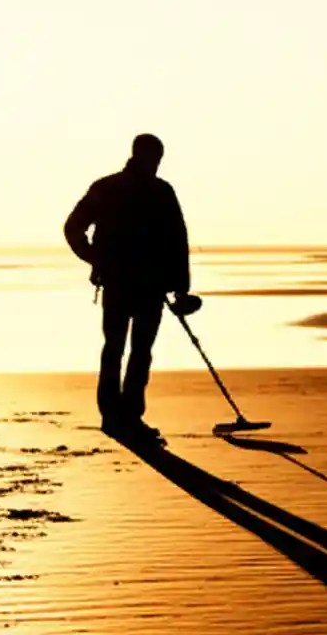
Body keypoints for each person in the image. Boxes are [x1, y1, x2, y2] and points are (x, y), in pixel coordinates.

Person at [64, 134, 191, 441]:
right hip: (134, 285)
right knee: (129, 350)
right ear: (147, 156)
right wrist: (95, 258)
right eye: (156, 158)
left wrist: (180, 288)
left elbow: (176, 241)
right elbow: (178, 241)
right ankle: (124, 416)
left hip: (133, 285)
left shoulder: (112, 188)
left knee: (124, 350)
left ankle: (118, 416)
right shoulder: (148, 191)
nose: (157, 164)